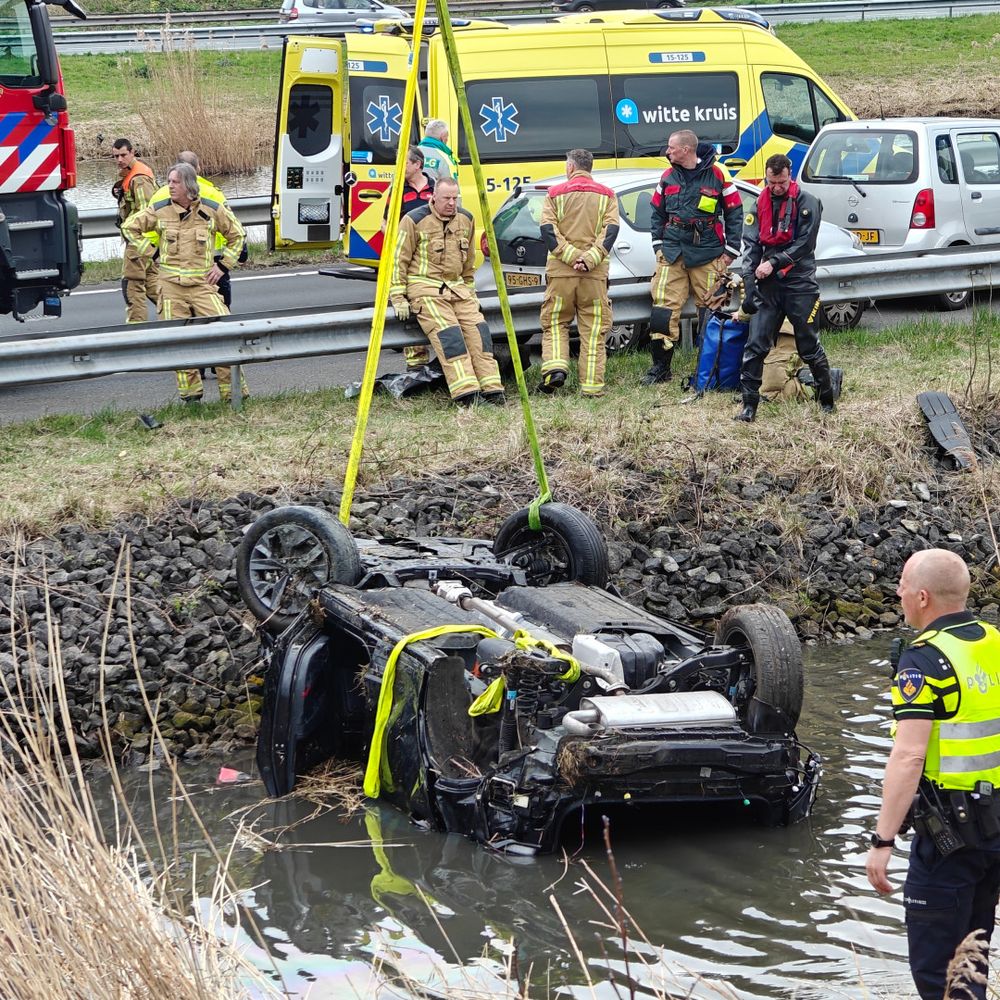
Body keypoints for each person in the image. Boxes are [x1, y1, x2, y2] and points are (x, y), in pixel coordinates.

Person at [866, 548, 1000, 1000]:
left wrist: (882, 842)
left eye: (902, 584)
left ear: (922, 596)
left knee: (939, 977)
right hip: (995, 832)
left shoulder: (924, 661)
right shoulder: (993, 641)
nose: (898, 592)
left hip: (950, 840)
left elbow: (908, 757)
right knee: (971, 963)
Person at [122, 162, 248, 404]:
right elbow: (130, 228)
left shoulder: (212, 209)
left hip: (202, 285)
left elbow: (238, 235)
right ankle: (191, 399)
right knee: (178, 344)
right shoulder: (159, 210)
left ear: (189, 185)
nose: (170, 186)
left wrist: (223, 266)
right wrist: (151, 252)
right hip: (170, 288)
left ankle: (233, 395)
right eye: (168, 181)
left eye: (175, 182)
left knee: (225, 334)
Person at [733, 152, 836, 422]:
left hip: (800, 283)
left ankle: (826, 399)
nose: (776, 188)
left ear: (789, 175)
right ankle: (749, 406)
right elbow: (751, 245)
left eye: (781, 182)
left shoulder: (808, 203)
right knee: (756, 345)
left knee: (808, 345)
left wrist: (775, 262)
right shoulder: (759, 204)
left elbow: (805, 244)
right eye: (771, 182)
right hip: (769, 285)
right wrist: (749, 282)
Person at [389, 176, 504, 407]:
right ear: (434, 197)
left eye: (455, 197)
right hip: (426, 289)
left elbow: (469, 262)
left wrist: (470, 291)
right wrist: (398, 296)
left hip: (458, 289)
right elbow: (398, 260)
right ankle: (467, 394)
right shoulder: (413, 220)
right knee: (450, 336)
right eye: (446, 198)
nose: (452, 203)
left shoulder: (466, 219)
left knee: (479, 334)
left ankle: (493, 390)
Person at [644, 129, 743, 385]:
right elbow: (657, 212)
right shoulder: (667, 176)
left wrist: (731, 250)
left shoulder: (718, 175)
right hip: (672, 252)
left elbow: (734, 211)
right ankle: (660, 369)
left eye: (671, 147)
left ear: (686, 150)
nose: (667, 152)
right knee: (662, 311)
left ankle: (708, 366)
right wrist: (658, 245)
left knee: (711, 309)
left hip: (708, 252)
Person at [537, 148, 619, 396]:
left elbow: (548, 230)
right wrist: (589, 259)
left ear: (570, 167)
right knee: (593, 329)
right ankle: (592, 387)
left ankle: (555, 369)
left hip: (561, 274)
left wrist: (572, 257)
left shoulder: (554, 194)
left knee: (555, 323)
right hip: (593, 276)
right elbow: (611, 231)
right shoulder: (607, 195)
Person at [384, 145, 435, 371]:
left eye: (404, 162)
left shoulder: (436, 188)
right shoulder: (397, 190)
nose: (400, 167)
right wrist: (401, 243)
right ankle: (416, 365)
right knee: (411, 304)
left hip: (434, 258)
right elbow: (385, 223)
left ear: (417, 164)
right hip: (409, 257)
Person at [111, 138, 158, 324]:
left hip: (139, 241)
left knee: (131, 285)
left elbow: (147, 213)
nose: (119, 160)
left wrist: (140, 243)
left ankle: (137, 328)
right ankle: (180, 312)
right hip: (144, 242)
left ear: (132, 152)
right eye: (116, 156)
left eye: (123, 155)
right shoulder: (132, 175)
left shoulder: (139, 178)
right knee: (152, 283)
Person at [417, 120, 458, 185]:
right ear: (443, 136)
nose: (447, 139)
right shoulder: (445, 159)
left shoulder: (411, 154)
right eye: (447, 136)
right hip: (434, 194)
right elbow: (451, 187)